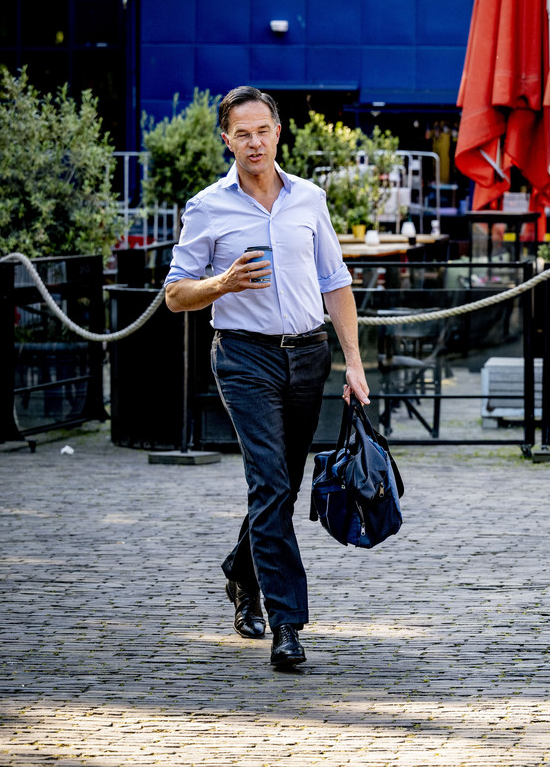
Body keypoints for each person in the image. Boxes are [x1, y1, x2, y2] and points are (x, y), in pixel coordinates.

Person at [164, 86, 370, 670]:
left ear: (278, 133)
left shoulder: (310, 198)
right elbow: (176, 293)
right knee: (270, 483)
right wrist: (221, 284)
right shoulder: (208, 207)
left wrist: (353, 363)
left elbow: (335, 282)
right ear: (226, 140)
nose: (254, 142)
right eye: (242, 134)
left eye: (263, 131)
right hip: (243, 357)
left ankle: (240, 569)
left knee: (283, 486)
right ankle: (288, 625)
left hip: (308, 356)